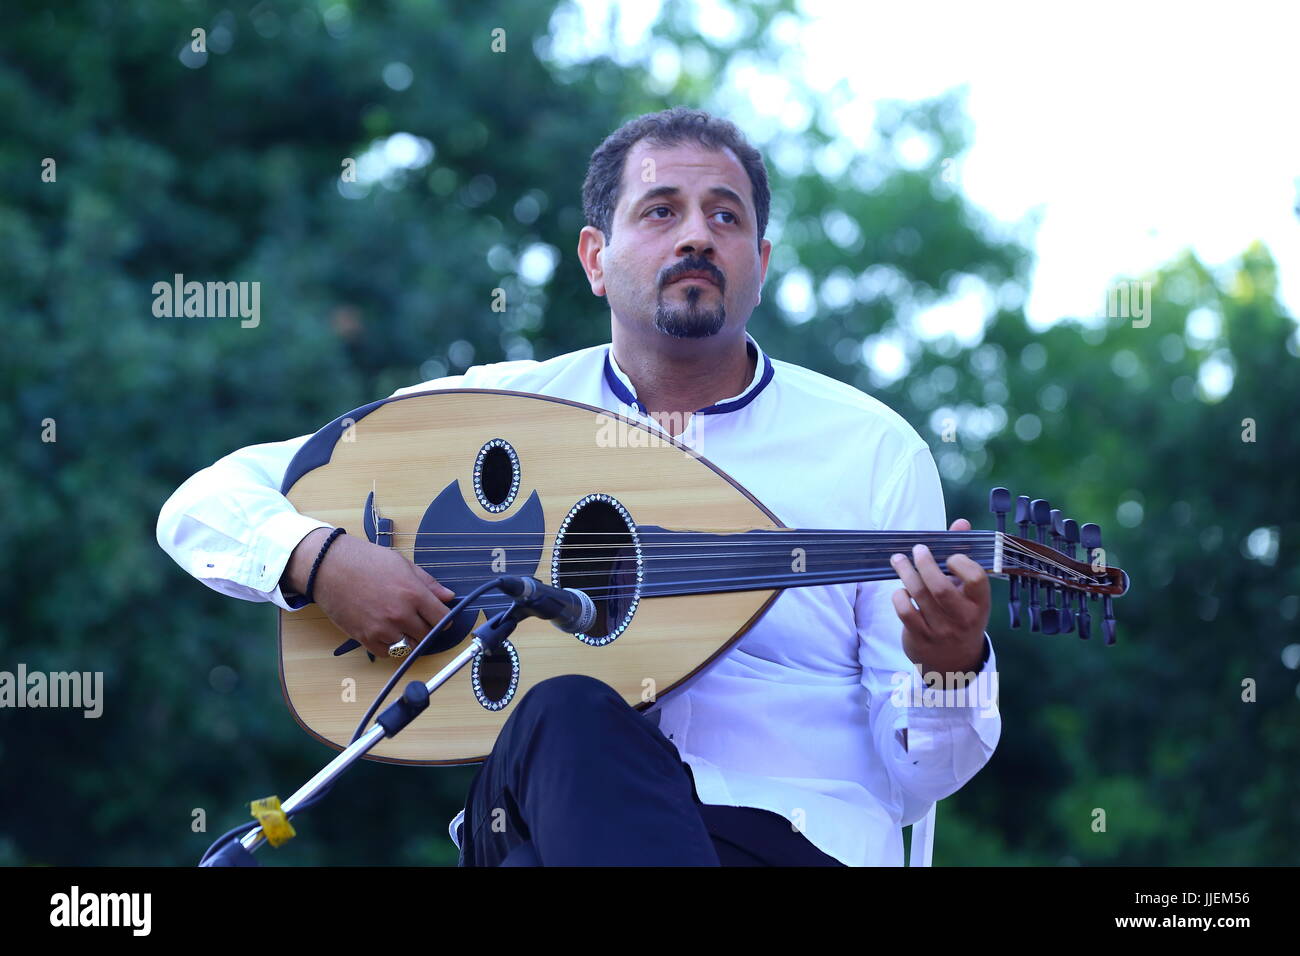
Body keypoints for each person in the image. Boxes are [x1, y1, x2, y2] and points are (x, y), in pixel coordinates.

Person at [157, 107, 1000, 867]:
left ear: (761, 262)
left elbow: (923, 773)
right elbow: (202, 502)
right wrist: (318, 557)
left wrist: (949, 666)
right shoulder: (497, 408)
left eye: (726, 216)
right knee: (566, 714)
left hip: (782, 841)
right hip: (541, 816)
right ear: (596, 258)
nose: (697, 235)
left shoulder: (872, 451)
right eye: (661, 210)